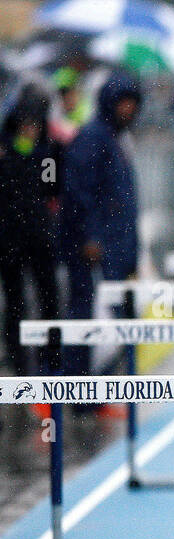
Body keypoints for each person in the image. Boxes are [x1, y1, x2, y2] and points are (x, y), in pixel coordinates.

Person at [59, 71, 143, 384]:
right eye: (122, 102)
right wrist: (91, 237)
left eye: (132, 103)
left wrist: (132, 255)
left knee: (112, 323)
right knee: (85, 321)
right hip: (93, 252)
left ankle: (97, 392)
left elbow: (127, 202)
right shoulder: (93, 138)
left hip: (116, 250)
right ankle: (79, 393)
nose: (128, 109)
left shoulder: (118, 140)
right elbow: (80, 193)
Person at [0, 85, 61, 376]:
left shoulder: (48, 150)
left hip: (39, 237)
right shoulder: (5, 150)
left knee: (49, 299)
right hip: (10, 239)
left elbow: (51, 187)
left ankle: (49, 361)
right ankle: (20, 366)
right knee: (16, 305)